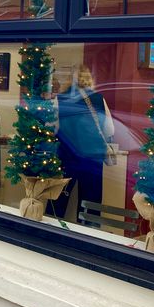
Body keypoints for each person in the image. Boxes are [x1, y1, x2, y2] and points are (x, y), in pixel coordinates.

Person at [53, 65, 116, 221]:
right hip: (93, 156)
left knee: (59, 197)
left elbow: (54, 127)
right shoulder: (98, 98)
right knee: (90, 202)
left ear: (70, 79)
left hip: (68, 155)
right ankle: (89, 235)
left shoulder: (60, 98)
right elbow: (109, 130)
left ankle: (54, 231)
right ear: (89, 78)